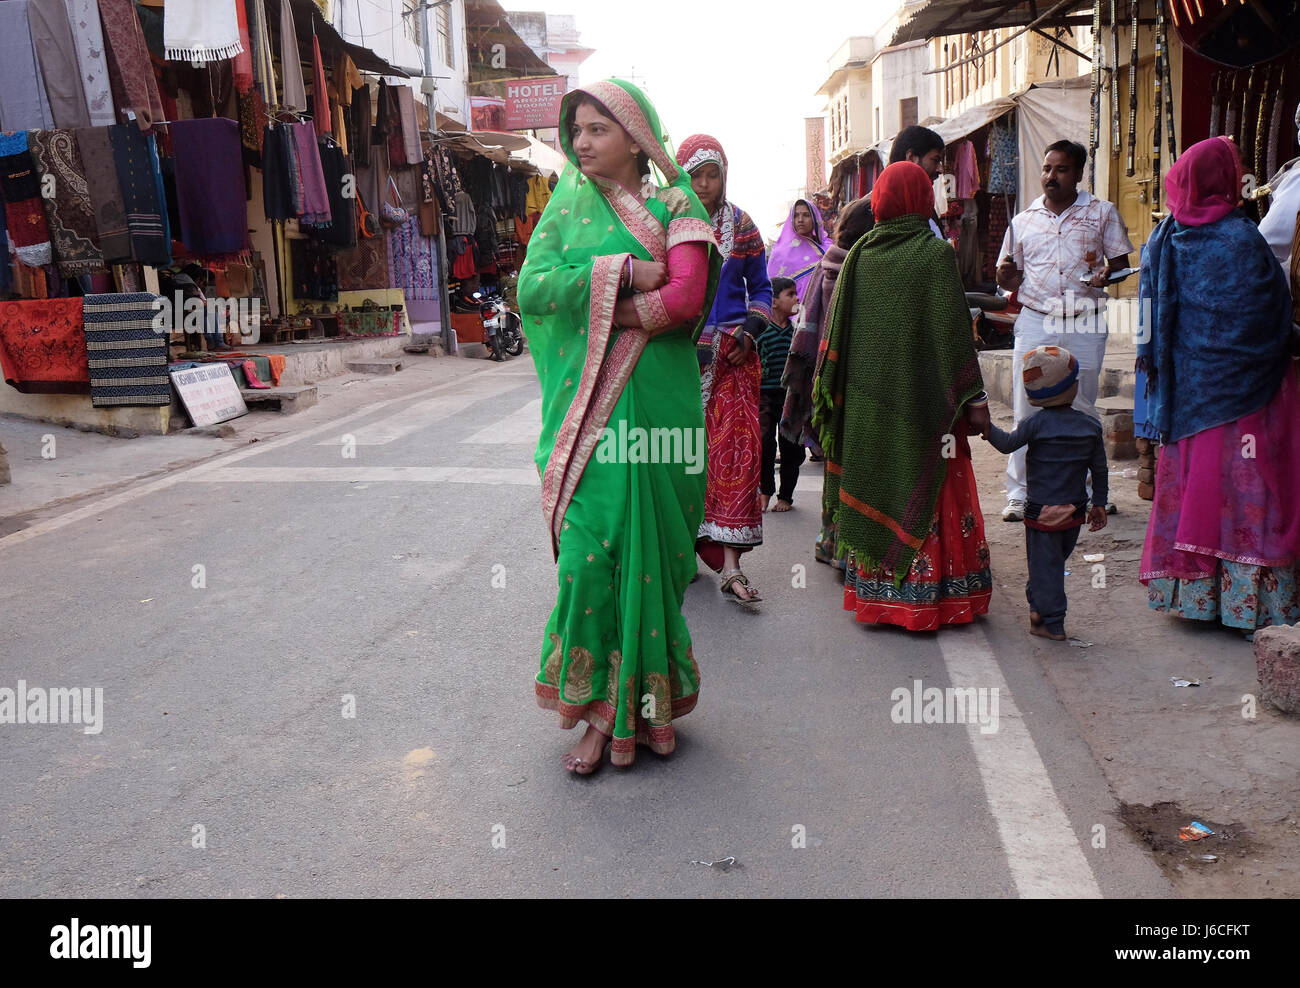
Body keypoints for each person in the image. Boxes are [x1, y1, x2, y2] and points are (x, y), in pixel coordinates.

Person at [520, 79, 721, 774]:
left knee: (648, 562)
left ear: (635, 136)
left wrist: (609, 314)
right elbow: (533, 289)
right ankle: (593, 703)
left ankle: (625, 715)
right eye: (574, 130)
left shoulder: (675, 203)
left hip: (658, 413)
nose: (580, 142)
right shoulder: (564, 208)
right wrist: (624, 272)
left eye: (597, 129)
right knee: (584, 562)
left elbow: (689, 295)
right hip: (586, 421)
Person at [813, 161, 993, 631]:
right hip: (928, 409)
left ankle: (880, 597)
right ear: (922, 201)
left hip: (869, 408)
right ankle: (935, 599)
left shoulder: (860, 254)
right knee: (931, 484)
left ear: (879, 201)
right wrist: (973, 400)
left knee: (880, 476)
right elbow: (953, 335)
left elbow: (843, 338)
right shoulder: (934, 256)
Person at [1138, 136, 1300, 631]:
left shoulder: (1163, 239)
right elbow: (1269, 315)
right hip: (1246, 393)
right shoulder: (1240, 239)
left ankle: (1195, 597)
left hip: (1188, 396)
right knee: (1247, 488)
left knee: (1199, 487)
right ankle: (1249, 603)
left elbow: (1151, 322)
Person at [996, 140, 1133, 522]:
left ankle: (1088, 493)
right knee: (1026, 411)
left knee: (1082, 406)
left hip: (1085, 321)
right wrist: (1004, 276)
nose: (1050, 177)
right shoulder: (1022, 220)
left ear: (1077, 174)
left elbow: (1120, 265)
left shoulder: (1101, 213)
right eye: (1046, 169)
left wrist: (1110, 273)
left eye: (1060, 170)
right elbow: (1005, 273)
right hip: (1037, 319)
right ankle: (1020, 494)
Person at [676, 134, 771, 603]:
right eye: (696, 175)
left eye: (713, 174)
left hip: (735, 358)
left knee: (735, 458)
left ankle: (731, 567)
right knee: (681, 455)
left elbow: (764, 291)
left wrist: (750, 332)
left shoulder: (744, 225)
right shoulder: (670, 224)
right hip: (681, 360)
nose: (706, 184)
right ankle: (680, 550)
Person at [984, 346, 1108, 641]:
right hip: (1075, 512)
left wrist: (985, 427)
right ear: (1074, 386)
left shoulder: (1034, 424)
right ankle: (1038, 605)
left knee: (1046, 567)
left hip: (1041, 514)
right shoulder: (1091, 426)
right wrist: (1099, 504)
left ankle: (1052, 622)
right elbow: (1100, 470)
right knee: (1053, 562)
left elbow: (1006, 444)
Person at [781, 195, 875, 566]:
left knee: (837, 464)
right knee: (856, 465)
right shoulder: (861, 267)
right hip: (854, 377)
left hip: (825, 374)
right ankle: (851, 550)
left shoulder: (827, 261)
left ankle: (831, 543)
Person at [756, 276, 803, 513]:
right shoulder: (760, 330)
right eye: (791, 294)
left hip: (790, 396)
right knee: (764, 443)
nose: (797, 298)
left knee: (791, 446)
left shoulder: (797, 332)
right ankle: (765, 490)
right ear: (774, 302)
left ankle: (786, 496)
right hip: (764, 396)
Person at [768, 199, 833, 300]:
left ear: (815, 218)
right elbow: (773, 291)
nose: (800, 220)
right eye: (796, 215)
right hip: (794, 312)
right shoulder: (780, 254)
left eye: (806, 215)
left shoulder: (828, 248)